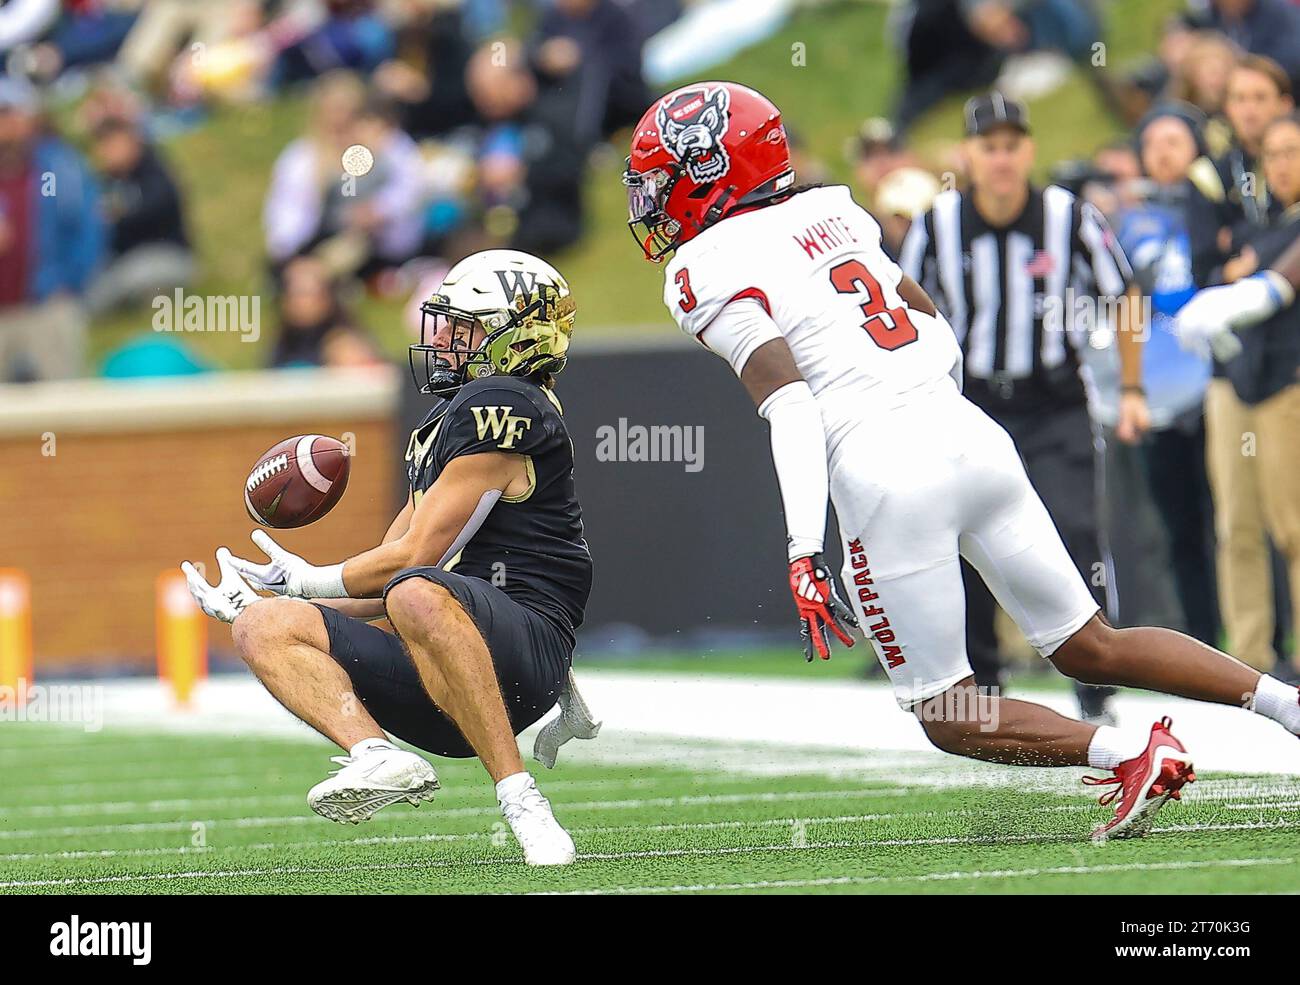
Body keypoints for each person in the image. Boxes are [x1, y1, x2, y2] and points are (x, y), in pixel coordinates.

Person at [622, 81, 1300, 841]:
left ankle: (1128, 752)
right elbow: (932, 326)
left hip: (885, 473)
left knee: (945, 709)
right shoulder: (831, 209)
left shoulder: (702, 266)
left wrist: (803, 550)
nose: (653, 202)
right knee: (1091, 643)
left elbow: (791, 405)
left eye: (663, 180)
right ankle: (1287, 705)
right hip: (970, 432)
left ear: (717, 168)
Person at [182, 250, 596, 866]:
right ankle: (377, 755)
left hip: (525, 650)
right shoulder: (447, 421)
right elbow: (385, 569)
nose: (447, 341)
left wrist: (308, 576)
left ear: (518, 335)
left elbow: (414, 559)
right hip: (440, 659)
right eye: (447, 325)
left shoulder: (511, 407)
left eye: (466, 328)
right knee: (261, 628)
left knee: (415, 590)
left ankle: (522, 801)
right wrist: (279, 598)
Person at [901, 93, 1148, 724]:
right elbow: (899, 310)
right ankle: (985, 687)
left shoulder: (1069, 217)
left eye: (1012, 146)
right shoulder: (938, 223)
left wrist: (1132, 389)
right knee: (967, 536)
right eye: (990, 147)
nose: (1002, 159)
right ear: (970, 155)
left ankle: (1095, 689)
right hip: (971, 402)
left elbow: (1125, 298)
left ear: (1028, 150)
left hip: (1054, 400)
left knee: (1073, 533)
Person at [1176, 111, 1300, 681]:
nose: (1281, 165)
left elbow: (1269, 290)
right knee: (1237, 527)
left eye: (1292, 152)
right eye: (1272, 155)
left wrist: (1245, 284)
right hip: (1234, 383)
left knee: (1294, 526)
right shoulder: (1249, 226)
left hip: (1288, 384)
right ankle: (1249, 661)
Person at [0, 75, 102, 383]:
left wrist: (67, 285)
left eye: (9, 113)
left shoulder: (59, 167)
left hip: (47, 305)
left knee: (62, 406)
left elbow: (89, 229)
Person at [86, 116, 194, 315]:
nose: (110, 152)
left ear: (133, 142)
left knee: (132, 276)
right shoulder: (104, 183)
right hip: (122, 261)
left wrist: (116, 216)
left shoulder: (154, 172)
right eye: (105, 146)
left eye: (115, 144)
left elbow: (156, 206)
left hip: (168, 255)